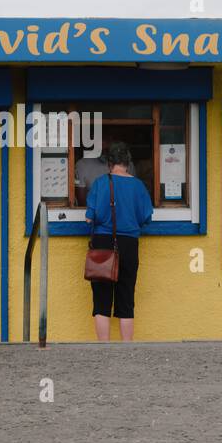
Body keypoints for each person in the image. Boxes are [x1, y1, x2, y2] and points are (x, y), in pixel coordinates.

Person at [85, 141, 153, 341]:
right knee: (126, 299)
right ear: (128, 163)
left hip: (103, 244)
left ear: (109, 163)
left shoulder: (99, 183)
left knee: (102, 300)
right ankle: (126, 349)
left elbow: (90, 217)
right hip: (129, 244)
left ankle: (104, 348)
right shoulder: (138, 186)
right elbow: (145, 218)